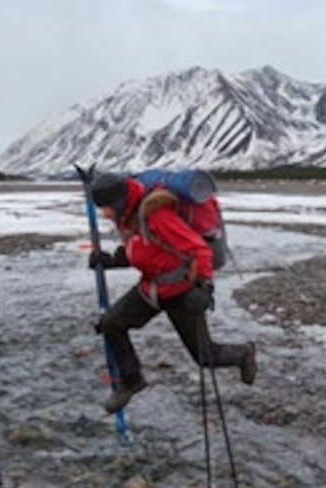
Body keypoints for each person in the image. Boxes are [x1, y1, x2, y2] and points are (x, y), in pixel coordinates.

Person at [87, 172, 257, 413]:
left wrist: (204, 288)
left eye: (107, 209)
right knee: (111, 324)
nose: (105, 214)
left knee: (205, 356)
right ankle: (131, 381)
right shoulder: (127, 217)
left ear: (119, 203)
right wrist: (112, 260)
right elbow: (144, 249)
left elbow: (199, 250)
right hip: (152, 288)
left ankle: (243, 354)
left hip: (181, 290)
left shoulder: (156, 215)